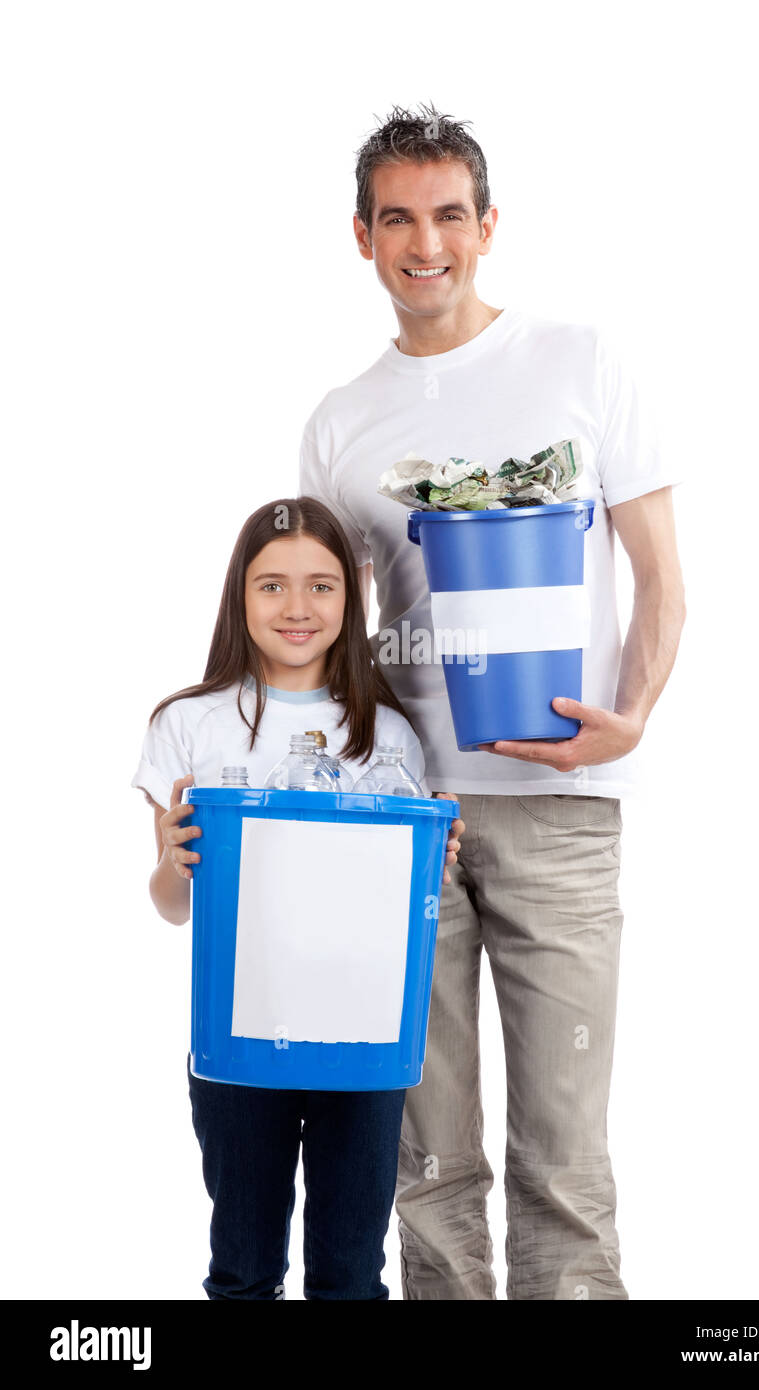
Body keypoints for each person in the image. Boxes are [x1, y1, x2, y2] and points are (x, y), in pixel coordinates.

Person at [297, 103, 687, 1300]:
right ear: (361, 236)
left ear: (486, 226)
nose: (427, 242)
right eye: (399, 218)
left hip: (561, 802)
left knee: (564, 1160)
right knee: (426, 1161)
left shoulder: (578, 362)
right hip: (406, 816)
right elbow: (326, 632)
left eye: (449, 215)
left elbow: (660, 574)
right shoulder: (339, 424)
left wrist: (633, 714)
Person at [130, 496, 464, 1300]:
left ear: (351, 601)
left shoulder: (386, 734)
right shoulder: (190, 724)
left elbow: (402, 909)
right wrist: (176, 861)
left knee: (351, 1275)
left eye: (321, 585)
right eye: (271, 585)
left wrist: (434, 864)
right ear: (239, 597)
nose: (297, 607)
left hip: (363, 1039)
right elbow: (173, 906)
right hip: (242, 1035)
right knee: (243, 1271)